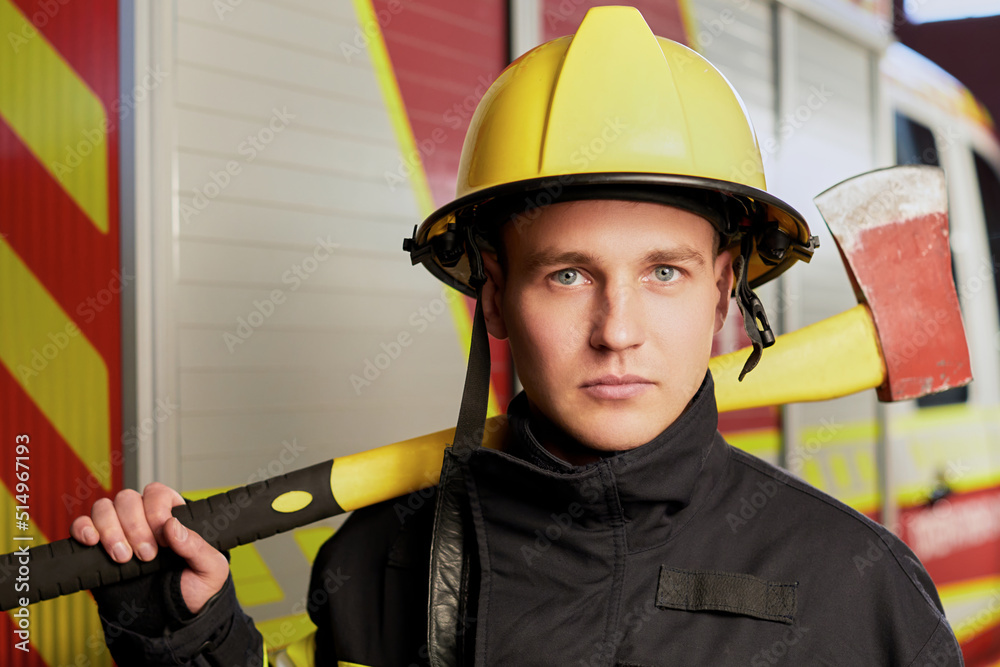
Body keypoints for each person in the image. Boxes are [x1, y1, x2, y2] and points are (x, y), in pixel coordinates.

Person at [70, 6, 963, 666]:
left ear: (725, 291)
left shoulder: (860, 591)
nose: (618, 331)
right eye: (567, 274)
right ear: (494, 297)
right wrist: (186, 632)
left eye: (665, 272)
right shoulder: (380, 561)